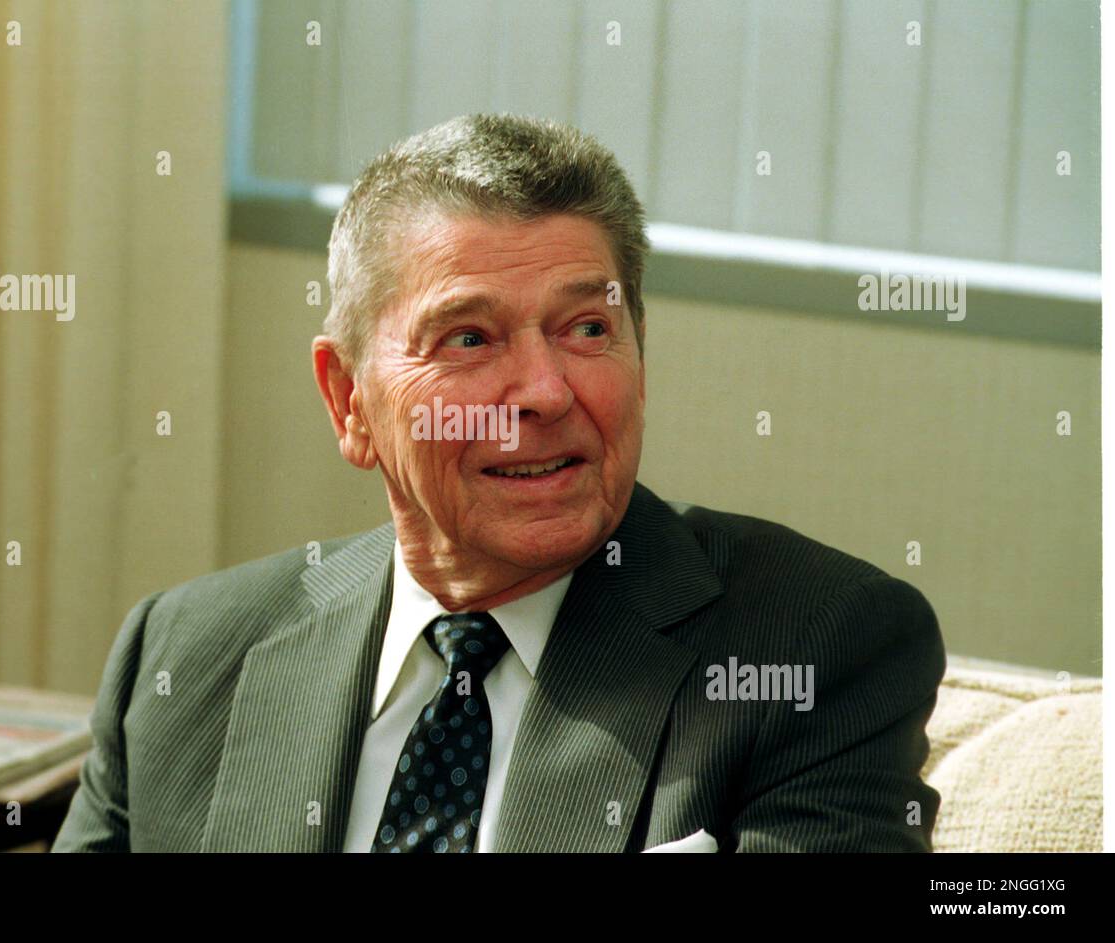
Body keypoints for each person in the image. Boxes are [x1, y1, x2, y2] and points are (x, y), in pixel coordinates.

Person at [53, 114, 944, 853]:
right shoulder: (180, 658)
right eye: (469, 339)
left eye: (588, 328)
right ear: (348, 401)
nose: (548, 391)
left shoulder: (818, 646)